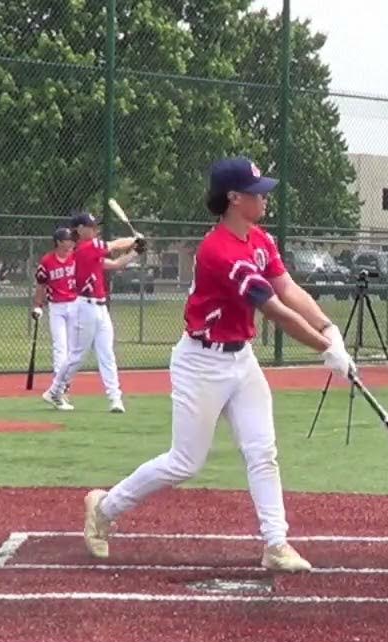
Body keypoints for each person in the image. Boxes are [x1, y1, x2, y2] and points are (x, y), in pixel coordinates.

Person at [80, 156, 356, 573]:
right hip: (201, 364)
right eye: (256, 193)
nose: (264, 199)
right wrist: (324, 349)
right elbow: (275, 310)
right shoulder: (220, 252)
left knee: (263, 451)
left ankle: (276, 544)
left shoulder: (260, 240)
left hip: (240, 359)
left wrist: (329, 328)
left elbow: (288, 288)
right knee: (185, 462)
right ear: (233, 198)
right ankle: (104, 508)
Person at [43, 211, 143, 413]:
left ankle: (115, 399)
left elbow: (114, 264)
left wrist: (136, 252)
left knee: (107, 354)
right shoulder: (85, 247)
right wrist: (135, 239)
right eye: (91, 226)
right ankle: (55, 390)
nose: (95, 229)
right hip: (85, 307)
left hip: (100, 307)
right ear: (79, 229)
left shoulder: (90, 250)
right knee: (77, 356)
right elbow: (114, 245)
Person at [31, 227, 78, 410]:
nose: (71, 242)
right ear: (59, 242)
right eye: (67, 239)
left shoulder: (76, 257)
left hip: (75, 305)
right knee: (60, 347)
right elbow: (41, 286)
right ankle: (58, 390)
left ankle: (63, 388)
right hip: (57, 307)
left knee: (74, 349)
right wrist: (37, 306)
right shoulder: (47, 261)